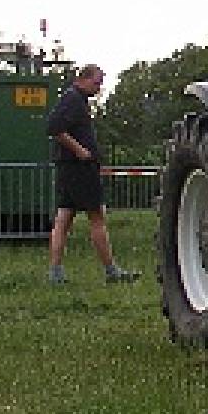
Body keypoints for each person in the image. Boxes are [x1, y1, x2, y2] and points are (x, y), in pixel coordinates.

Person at [44, 63, 138, 284]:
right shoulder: (73, 99)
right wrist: (80, 151)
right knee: (96, 216)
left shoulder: (76, 99)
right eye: (96, 83)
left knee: (64, 218)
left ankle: (55, 271)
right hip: (79, 168)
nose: (98, 88)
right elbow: (54, 128)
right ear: (83, 79)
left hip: (69, 167)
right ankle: (111, 271)